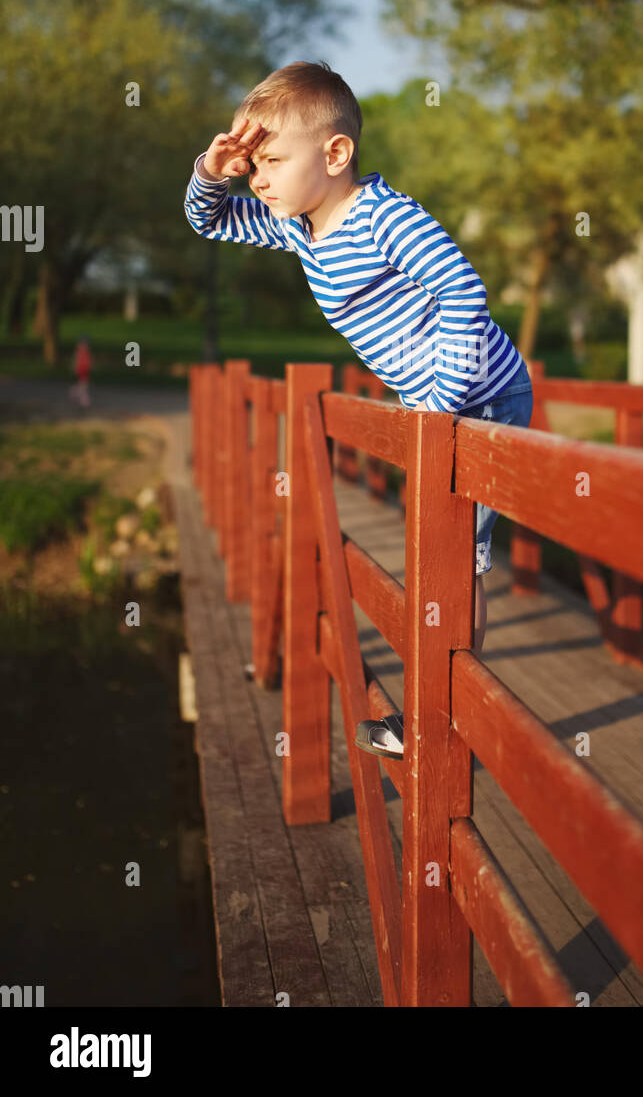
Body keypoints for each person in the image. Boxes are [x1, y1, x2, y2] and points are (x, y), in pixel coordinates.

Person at [184, 61, 535, 760]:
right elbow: (210, 221)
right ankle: (438, 714)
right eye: (255, 164)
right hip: (432, 406)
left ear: (335, 153)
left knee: (451, 557)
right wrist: (212, 167)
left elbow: (465, 295)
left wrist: (437, 409)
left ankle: (441, 720)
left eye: (273, 160)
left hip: (481, 395)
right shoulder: (298, 226)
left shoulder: (384, 219)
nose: (261, 177)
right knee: (433, 551)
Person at [70, 335, 92, 408]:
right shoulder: (79, 353)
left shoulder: (86, 353)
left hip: (85, 371)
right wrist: (75, 368)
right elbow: (76, 362)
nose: (86, 346)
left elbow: (88, 361)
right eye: (84, 344)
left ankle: (74, 394)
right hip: (81, 371)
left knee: (83, 385)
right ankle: (84, 400)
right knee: (84, 386)